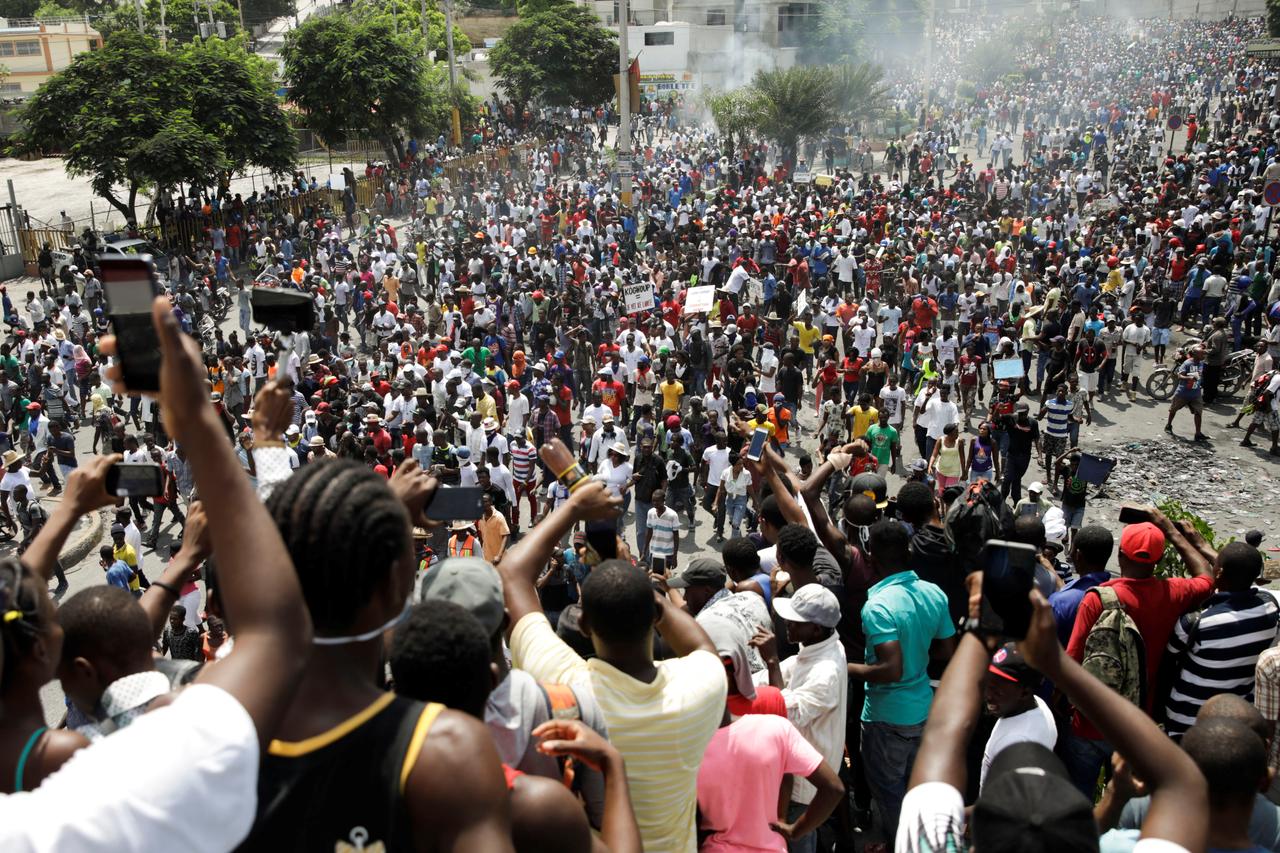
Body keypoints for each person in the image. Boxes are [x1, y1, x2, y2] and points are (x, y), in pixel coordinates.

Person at [497, 439, 725, 853]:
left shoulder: (571, 684)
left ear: (583, 625)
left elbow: (512, 574)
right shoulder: (700, 687)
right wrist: (640, 586)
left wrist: (573, 504)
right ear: (654, 615)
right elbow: (700, 645)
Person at [898, 591, 1209, 853]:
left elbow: (942, 734)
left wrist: (982, 626)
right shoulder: (1038, 710)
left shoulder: (932, 844)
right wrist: (1056, 662)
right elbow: (1183, 781)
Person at [388, 598, 642, 853]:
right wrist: (612, 764)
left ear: (395, 692)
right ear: (492, 680)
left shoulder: (369, 794)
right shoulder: (540, 808)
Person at [1063, 509, 1214, 795]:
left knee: (1078, 797)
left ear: (1120, 555)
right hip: (1135, 721)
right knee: (1123, 799)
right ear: (1157, 561)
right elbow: (1207, 578)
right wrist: (1173, 533)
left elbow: (1071, 660)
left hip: (1089, 722)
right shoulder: (1174, 593)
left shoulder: (1098, 598)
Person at [852, 519, 956, 838]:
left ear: (871, 558)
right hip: (923, 708)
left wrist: (848, 667)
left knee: (889, 795)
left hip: (886, 717)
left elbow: (890, 669)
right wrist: (917, 653)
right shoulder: (933, 593)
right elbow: (946, 649)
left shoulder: (878, 606)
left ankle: (901, 843)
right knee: (915, 789)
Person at [752, 584, 848, 853]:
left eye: (795, 622)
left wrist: (771, 661)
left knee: (797, 842)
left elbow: (784, 715)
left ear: (816, 628)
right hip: (798, 776)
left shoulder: (826, 672)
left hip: (803, 786)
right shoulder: (819, 646)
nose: (787, 625)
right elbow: (791, 669)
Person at [1160, 542, 1280, 739]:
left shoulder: (1197, 622)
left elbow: (1167, 659)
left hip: (1187, 722)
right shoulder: (1270, 610)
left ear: (1219, 572)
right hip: (1235, 720)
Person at [979, 643, 1057, 791]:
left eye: (997, 690)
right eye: (988, 683)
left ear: (1025, 693)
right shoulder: (1039, 705)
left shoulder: (1014, 745)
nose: (988, 695)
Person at [1166, 345, 1209, 442]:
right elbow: (1179, 375)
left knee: (1198, 412)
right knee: (1173, 410)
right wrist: (1188, 378)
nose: (1203, 355)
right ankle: (1168, 425)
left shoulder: (1201, 363)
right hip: (1183, 393)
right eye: (1201, 354)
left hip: (1196, 393)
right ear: (1195, 355)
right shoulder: (1187, 363)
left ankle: (1198, 433)